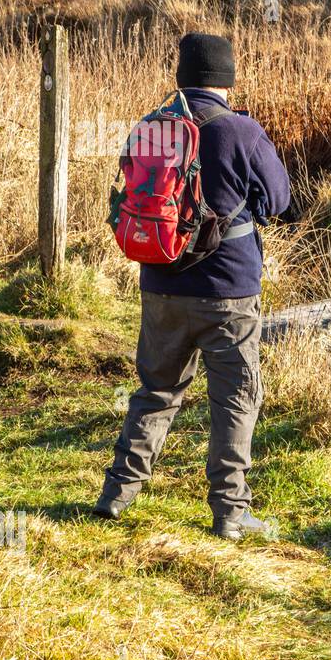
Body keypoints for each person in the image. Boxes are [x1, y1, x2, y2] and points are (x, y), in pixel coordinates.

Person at [93, 32, 292, 540]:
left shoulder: (150, 128)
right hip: (228, 291)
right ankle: (229, 513)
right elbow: (278, 199)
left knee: (156, 391)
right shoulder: (242, 131)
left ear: (182, 77)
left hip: (159, 284)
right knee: (235, 398)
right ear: (227, 80)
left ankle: (117, 494)